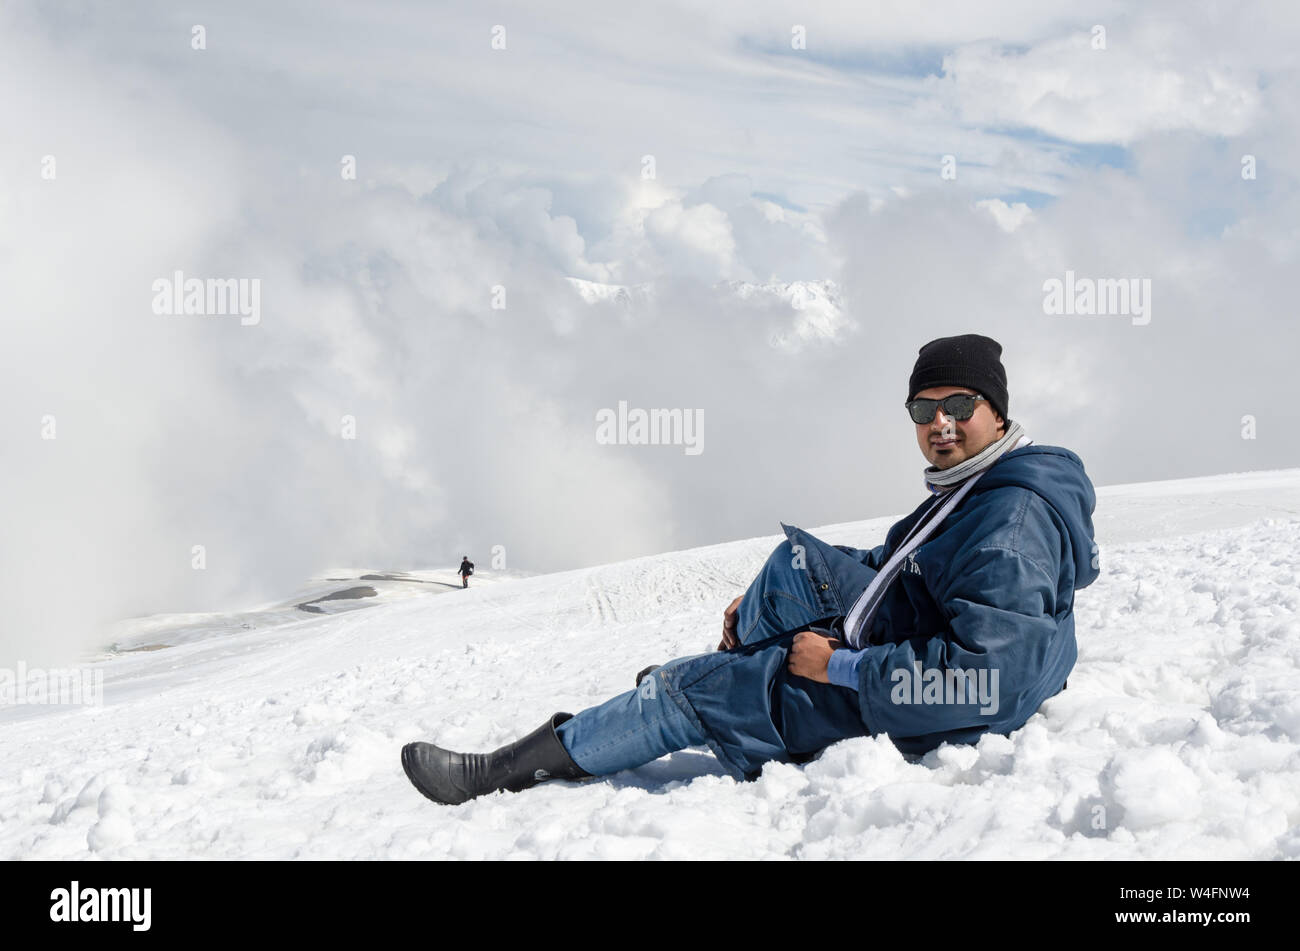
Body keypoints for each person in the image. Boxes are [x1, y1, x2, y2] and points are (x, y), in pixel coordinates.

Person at [402, 333, 1100, 805]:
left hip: (916, 701)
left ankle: (500, 771)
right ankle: (734, 669)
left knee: (681, 690)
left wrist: (840, 667)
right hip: (912, 633)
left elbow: (990, 680)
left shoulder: (1007, 526)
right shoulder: (985, 486)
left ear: (996, 410)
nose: (939, 422)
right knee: (798, 563)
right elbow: (904, 571)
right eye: (925, 407)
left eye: (958, 405)